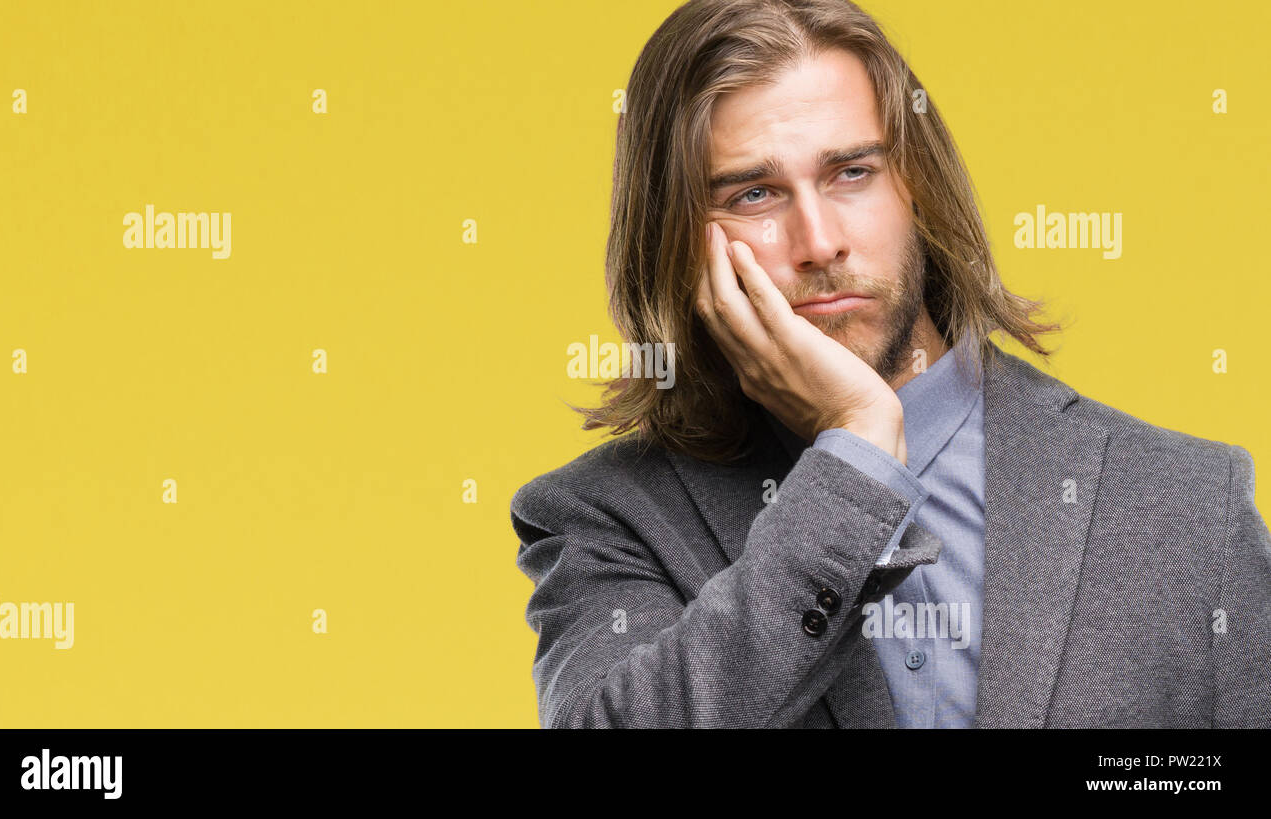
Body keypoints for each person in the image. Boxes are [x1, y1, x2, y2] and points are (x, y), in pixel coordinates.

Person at [510, 0, 1271, 728]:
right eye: (754, 193)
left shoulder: (1189, 505)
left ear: (919, 189)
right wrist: (858, 454)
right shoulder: (608, 518)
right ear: (673, 240)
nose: (818, 241)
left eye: (852, 173)